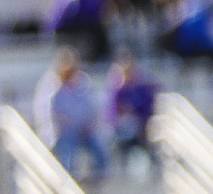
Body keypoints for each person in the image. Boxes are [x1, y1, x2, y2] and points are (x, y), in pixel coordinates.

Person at [34, 50, 107, 183]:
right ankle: (68, 184)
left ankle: (98, 181)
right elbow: (50, 115)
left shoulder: (83, 84)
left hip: (82, 132)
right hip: (60, 133)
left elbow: (90, 109)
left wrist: (86, 126)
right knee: (68, 150)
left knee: (99, 149)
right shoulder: (51, 86)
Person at [108, 56, 160, 173]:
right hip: (121, 129)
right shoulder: (118, 92)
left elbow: (147, 108)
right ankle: (122, 171)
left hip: (140, 127)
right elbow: (112, 114)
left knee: (148, 138)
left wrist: (135, 113)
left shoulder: (141, 89)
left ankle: (153, 169)